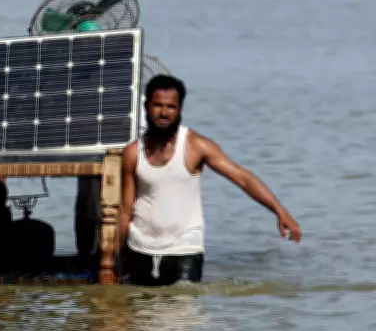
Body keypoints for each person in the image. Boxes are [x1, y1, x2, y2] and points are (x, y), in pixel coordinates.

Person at [119, 74, 301, 286]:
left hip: (185, 251)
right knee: (139, 305)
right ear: (146, 107)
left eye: (171, 107)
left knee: (183, 303)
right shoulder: (133, 153)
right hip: (139, 249)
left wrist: (279, 210)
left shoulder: (196, 146)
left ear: (180, 109)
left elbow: (242, 178)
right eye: (158, 105)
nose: (164, 113)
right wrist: (117, 259)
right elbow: (125, 210)